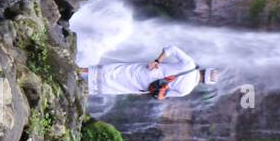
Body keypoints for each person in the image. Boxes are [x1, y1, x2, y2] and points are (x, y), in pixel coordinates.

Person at [79, 46, 219, 99]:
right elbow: (163, 96)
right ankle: (81, 88)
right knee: (114, 87)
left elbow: (171, 48)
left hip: (148, 71)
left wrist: (157, 61)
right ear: (205, 83)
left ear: (204, 70)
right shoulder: (186, 90)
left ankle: (77, 70)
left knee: (113, 71)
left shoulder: (190, 64)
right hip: (144, 87)